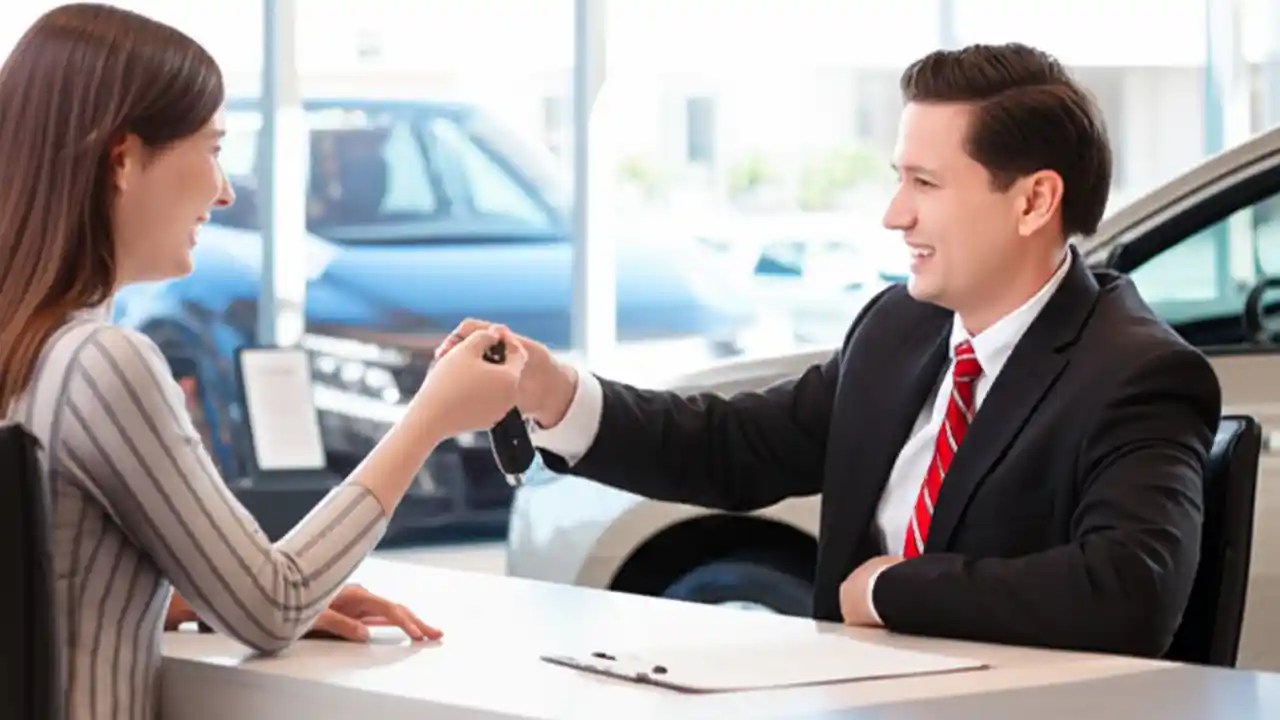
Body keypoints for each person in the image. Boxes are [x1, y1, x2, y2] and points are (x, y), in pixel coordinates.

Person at [439, 43, 1223, 658]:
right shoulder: (898, 329)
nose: (894, 214)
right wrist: (552, 392)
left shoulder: (1137, 373)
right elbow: (735, 448)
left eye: (925, 183)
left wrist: (890, 592)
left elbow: (1129, 591)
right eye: (897, 180)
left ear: (1034, 201)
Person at [0, 4, 528, 719]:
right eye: (213, 148)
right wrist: (429, 419)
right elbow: (271, 605)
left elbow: (51, 575)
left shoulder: (26, 350)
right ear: (123, 159)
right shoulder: (100, 362)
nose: (223, 190)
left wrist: (183, 596)